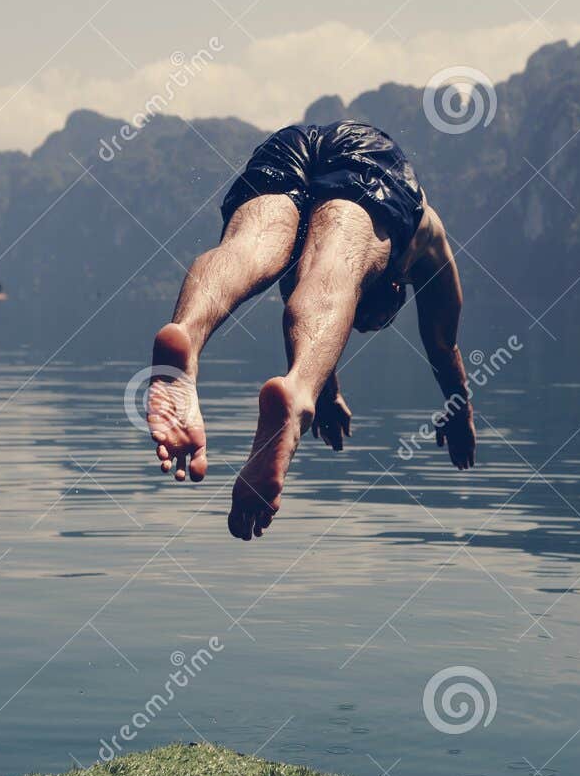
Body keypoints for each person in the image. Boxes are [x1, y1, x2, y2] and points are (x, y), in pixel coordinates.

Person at [147, 120, 476, 540]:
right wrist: (460, 410)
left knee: (251, 246)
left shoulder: (306, 278)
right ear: (396, 288)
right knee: (340, 264)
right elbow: (442, 346)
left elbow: (309, 310)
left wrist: (330, 391)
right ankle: (299, 392)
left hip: (288, 144)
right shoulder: (425, 246)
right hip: (367, 154)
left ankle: (186, 335)